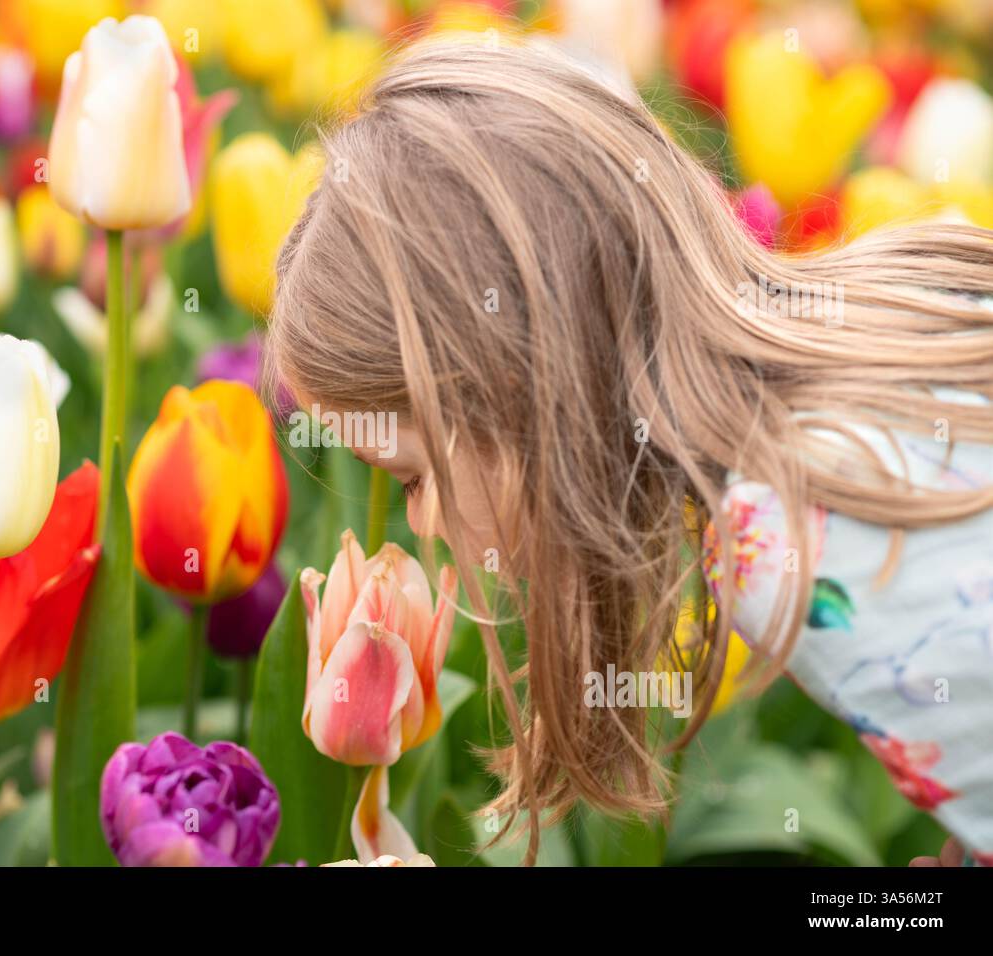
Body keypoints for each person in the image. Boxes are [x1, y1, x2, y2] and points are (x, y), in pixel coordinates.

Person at [266, 38, 993, 866]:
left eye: (414, 476)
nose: (422, 525)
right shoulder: (900, 294)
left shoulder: (790, 539)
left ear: (509, 384)